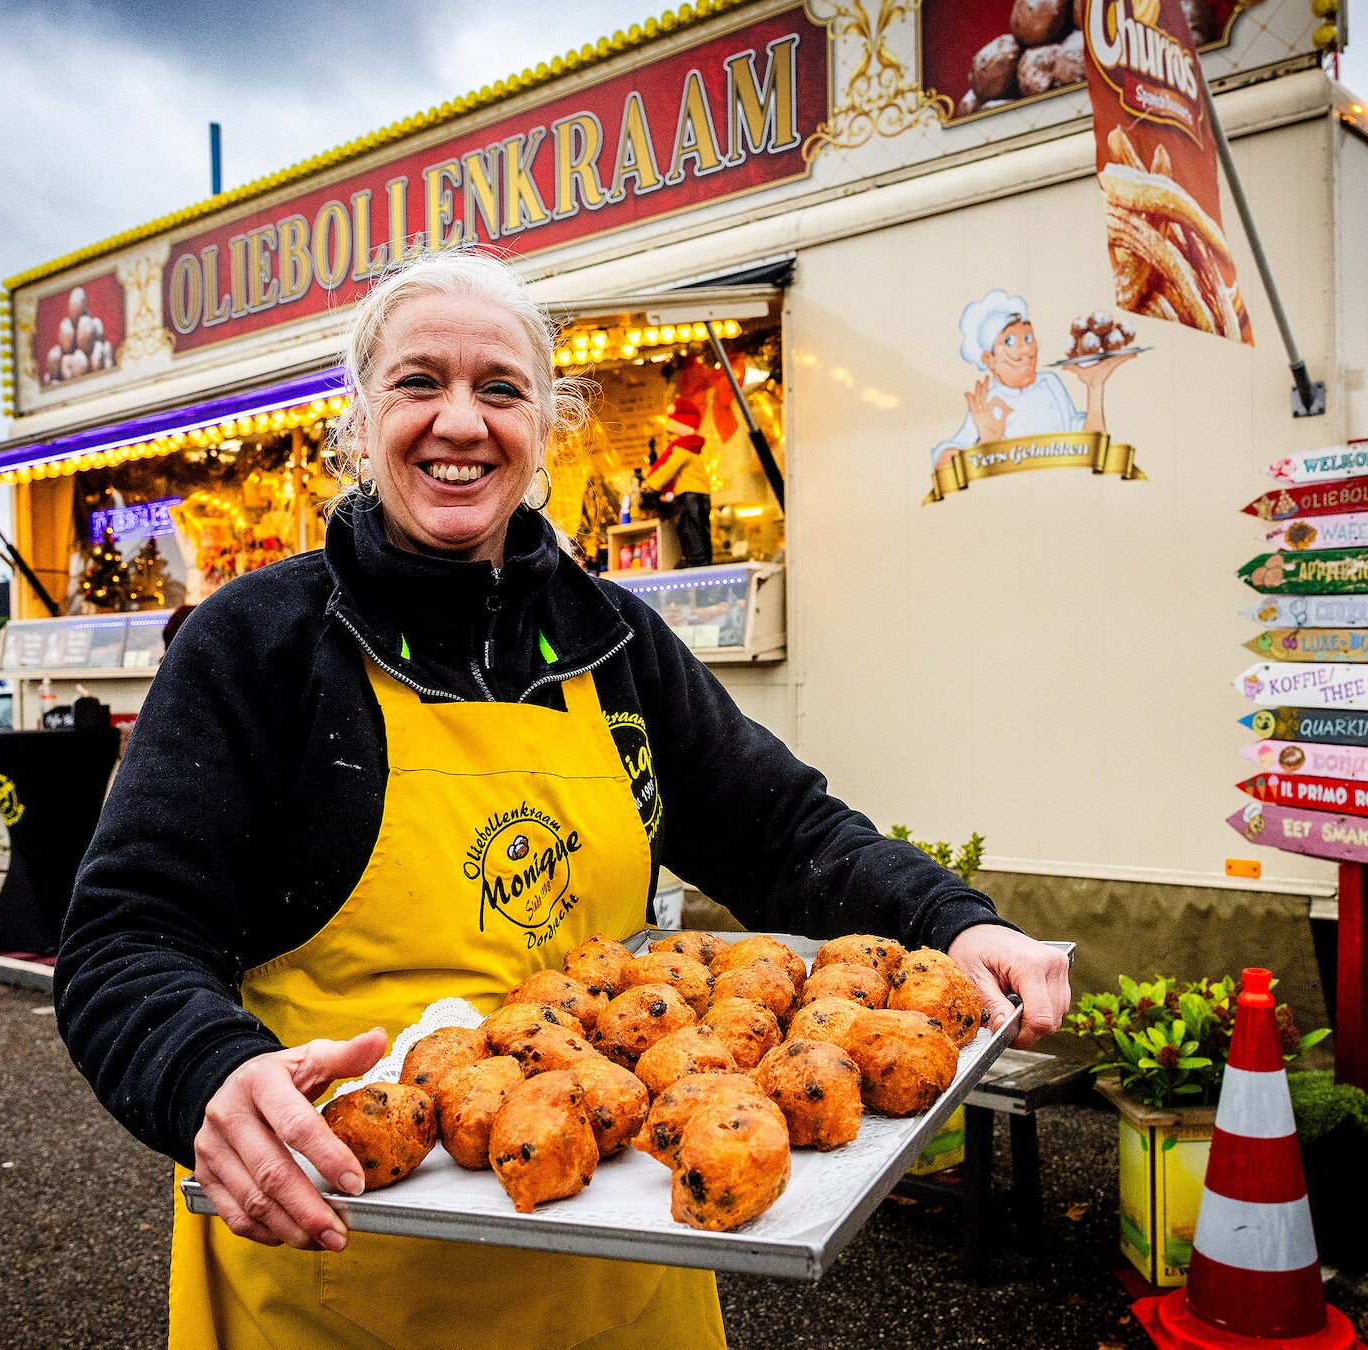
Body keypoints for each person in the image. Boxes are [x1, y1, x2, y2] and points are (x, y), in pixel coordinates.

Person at [55, 247, 1071, 1350]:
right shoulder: (255, 646)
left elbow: (784, 831)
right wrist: (205, 1068)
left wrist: (953, 922)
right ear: (359, 421)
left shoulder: (617, 641)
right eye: (417, 383)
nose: (461, 421)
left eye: (500, 389)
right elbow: (127, 937)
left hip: (620, 1262)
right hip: (341, 1270)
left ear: (547, 425)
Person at [930, 288, 1131, 462]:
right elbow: (945, 458)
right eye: (1009, 341)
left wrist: (1094, 387)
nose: (1026, 350)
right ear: (989, 360)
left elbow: (1088, 444)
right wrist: (986, 443)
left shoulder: (1051, 383)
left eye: (1027, 338)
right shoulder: (988, 404)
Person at [643, 398, 712, 567]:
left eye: (671, 434)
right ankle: (701, 557)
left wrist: (650, 484)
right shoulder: (692, 451)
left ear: (680, 432)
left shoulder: (682, 450)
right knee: (699, 526)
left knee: (689, 527)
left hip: (689, 494)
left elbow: (668, 468)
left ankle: (696, 558)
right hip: (699, 494)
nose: (669, 439)